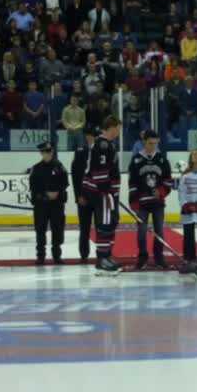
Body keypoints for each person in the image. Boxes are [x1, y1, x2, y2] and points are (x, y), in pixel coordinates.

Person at [127, 129, 173, 270]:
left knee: (159, 232)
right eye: (150, 143)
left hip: (158, 203)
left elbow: (168, 181)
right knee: (141, 232)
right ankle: (142, 257)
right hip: (142, 204)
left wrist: (161, 192)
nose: (153, 146)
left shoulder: (162, 160)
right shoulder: (136, 160)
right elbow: (132, 183)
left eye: (155, 143)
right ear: (144, 142)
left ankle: (159, 258)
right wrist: (133, 202)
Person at [83, 116, 123, 274]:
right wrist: (107, 191)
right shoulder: (103, 144)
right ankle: (102, 259)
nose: (119, 132)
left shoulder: (107, 144)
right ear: (111, 127)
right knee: (105, 224)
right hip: (102, 192)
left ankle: (107, 255)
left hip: (107, 192)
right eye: (118, 129)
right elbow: (99, 171)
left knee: (111, 222)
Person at [29, 141, 69, 264]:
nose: (46, 153)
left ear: (52, 151)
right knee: (40, 230)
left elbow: (65, 183)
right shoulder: (36, 168)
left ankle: (57, 256)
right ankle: (40, 256)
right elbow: (33, 187)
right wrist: (45, 194)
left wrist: (57, 192)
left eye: (48, 151)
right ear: (41, 153)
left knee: (57, 229)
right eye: (44, 152)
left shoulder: (59, 167)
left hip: (56, 204)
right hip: (41, 204)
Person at [71, 128, 97, 263]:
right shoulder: (80, 152)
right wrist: (78, 196)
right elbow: (75, 176)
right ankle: (84, 255)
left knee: (101, 227)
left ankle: (102, 254)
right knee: (84, 228)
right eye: (91, 136)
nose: (93, 139)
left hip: (98, 196)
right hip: (84, 197)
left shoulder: (102, 151)